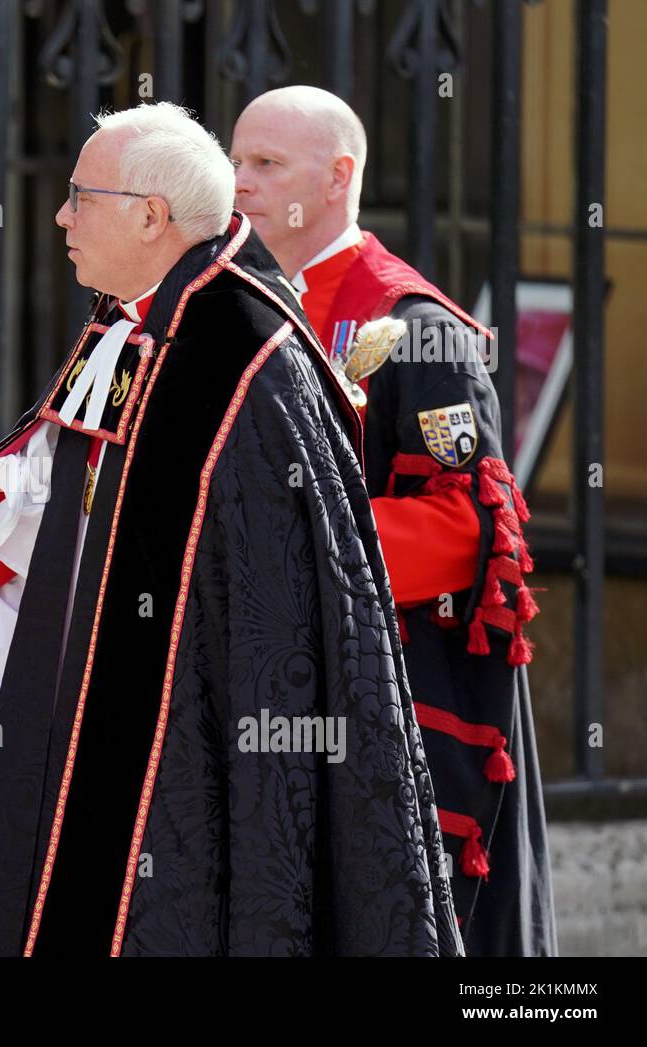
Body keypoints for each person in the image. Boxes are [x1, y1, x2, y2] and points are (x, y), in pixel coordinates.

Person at [0, 102, 462, 957]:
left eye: (80, 197)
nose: (60, 217)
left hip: (193, 755)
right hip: (86, 726)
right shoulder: (125, 324)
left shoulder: (247, 352)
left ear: (150, 216)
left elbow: (280, 608)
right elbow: (24, 499)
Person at [230, 84, 557, 956]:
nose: (239, 185)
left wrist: (283, 543)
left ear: (337, 177)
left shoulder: (414, 326)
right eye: (235, 162)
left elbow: (468, 530)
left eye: (265, 164)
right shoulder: (245, 304)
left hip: (403, 695)